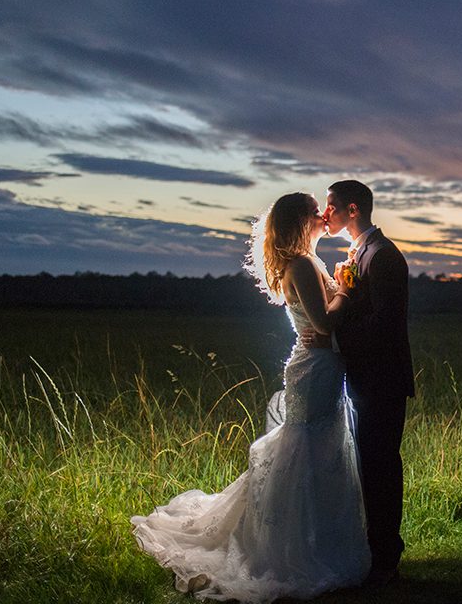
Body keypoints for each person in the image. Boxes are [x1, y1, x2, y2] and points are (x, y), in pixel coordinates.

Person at [131, 192, 370, 602]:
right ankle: (292, 546)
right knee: (308, 451)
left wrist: (338, 285)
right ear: (300, 222)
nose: (323, 214)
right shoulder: (301, 265)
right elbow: (324, 325)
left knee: (320, 450)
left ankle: (318, 538)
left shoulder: (309, 262)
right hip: (314, 369)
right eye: (315, 211)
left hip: (322, 367)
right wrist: (345, 288)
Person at [302, 179, 414, 587]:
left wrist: (333, 340)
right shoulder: (360, 252)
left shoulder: (383, 257)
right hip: (362, 379)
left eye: (331, 205)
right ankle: (370, 553)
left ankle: (386, 561)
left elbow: (385, 325)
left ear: (353, 210)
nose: (325, 213)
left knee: (381, 467)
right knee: (367, 468)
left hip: (382, 380)